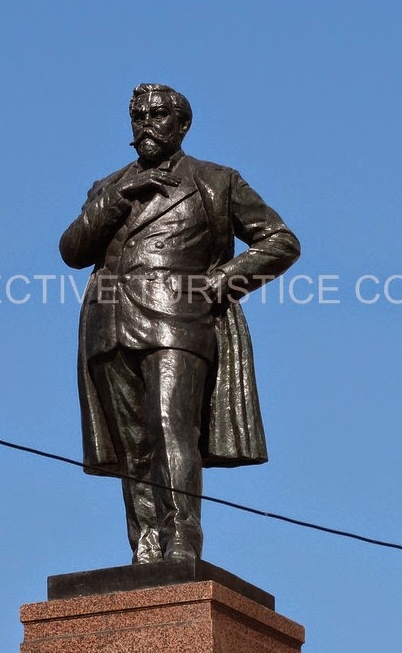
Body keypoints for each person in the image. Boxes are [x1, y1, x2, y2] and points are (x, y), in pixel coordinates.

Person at [59, 83, 300, 564]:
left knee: (170, 426)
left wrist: (222, 282)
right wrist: (117, 197)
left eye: (157, 115)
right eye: (138, 116)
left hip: (179, 321)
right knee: (134, 445)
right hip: (108, 324)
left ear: (182, 124)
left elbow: (280, 242)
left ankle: (182, 539)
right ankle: (146, 546)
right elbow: (72, 250)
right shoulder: (109, 187)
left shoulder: (215, 181)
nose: (145, 124)